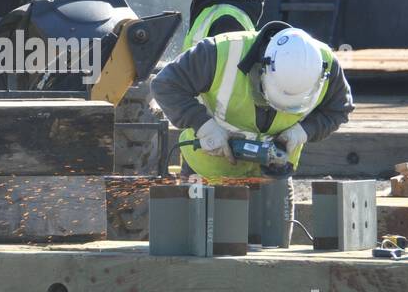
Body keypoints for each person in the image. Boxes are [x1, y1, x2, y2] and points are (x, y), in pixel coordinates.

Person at [151, 21, 353, 181]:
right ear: (262, 68)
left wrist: (304, 131)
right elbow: (166, 84)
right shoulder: (219, 52)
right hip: (208, 172)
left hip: (274, 175)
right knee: (205, 232)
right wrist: (204, 126)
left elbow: (338, 109)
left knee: (271, 233)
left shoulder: (326, 64)